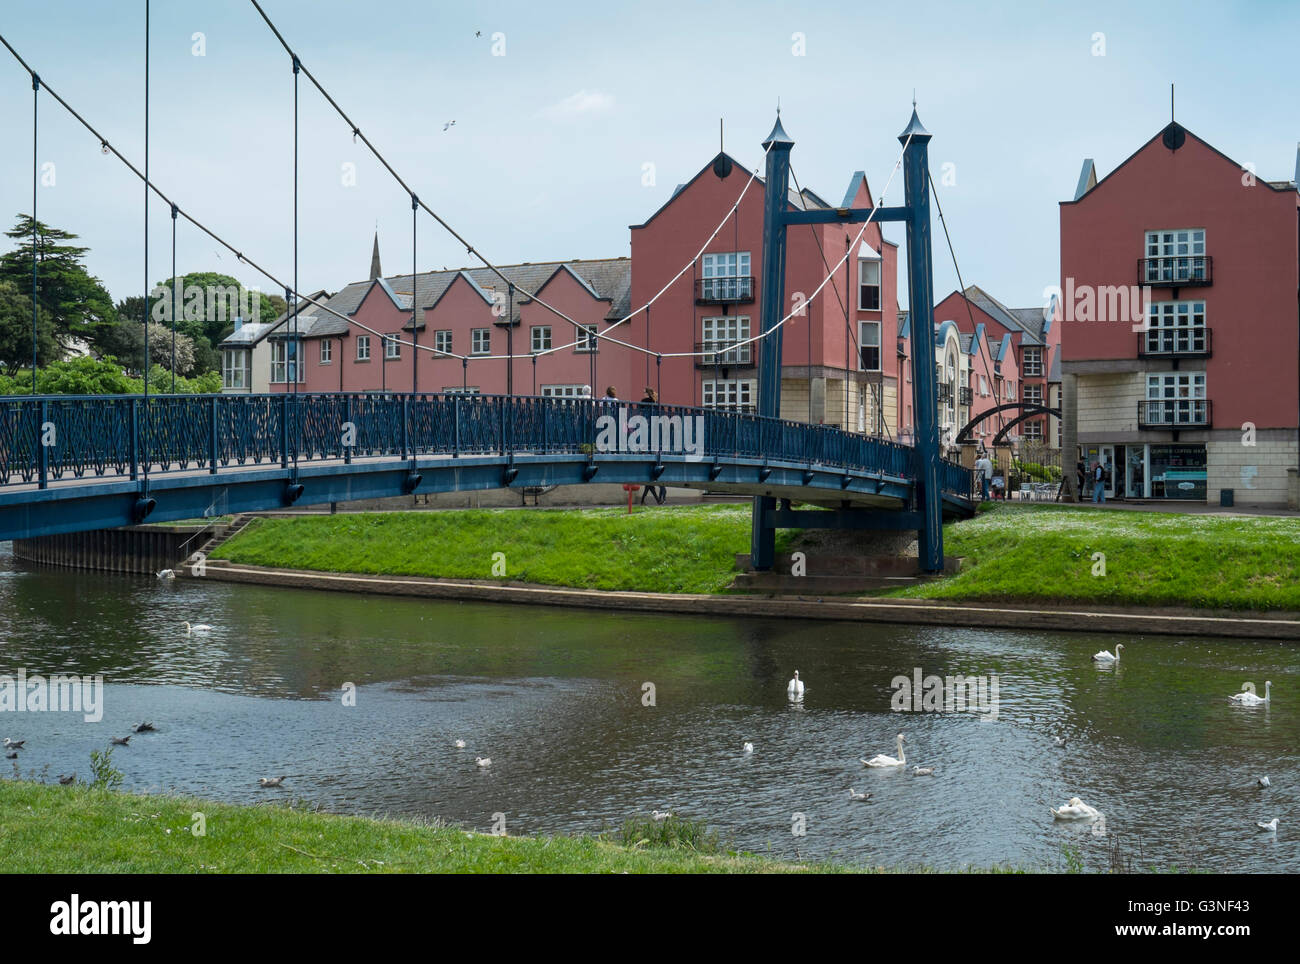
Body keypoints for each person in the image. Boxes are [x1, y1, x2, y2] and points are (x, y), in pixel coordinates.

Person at [639, 387, 667, 505]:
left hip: (646, 424)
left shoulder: (645, 401)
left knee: (651, 484)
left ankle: (652, 500)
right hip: (654, 426)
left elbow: (640, 407)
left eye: (644, 392)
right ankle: (656, 500)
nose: (643, 394)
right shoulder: (655, 402)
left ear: (647, 393)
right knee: (652, 484)